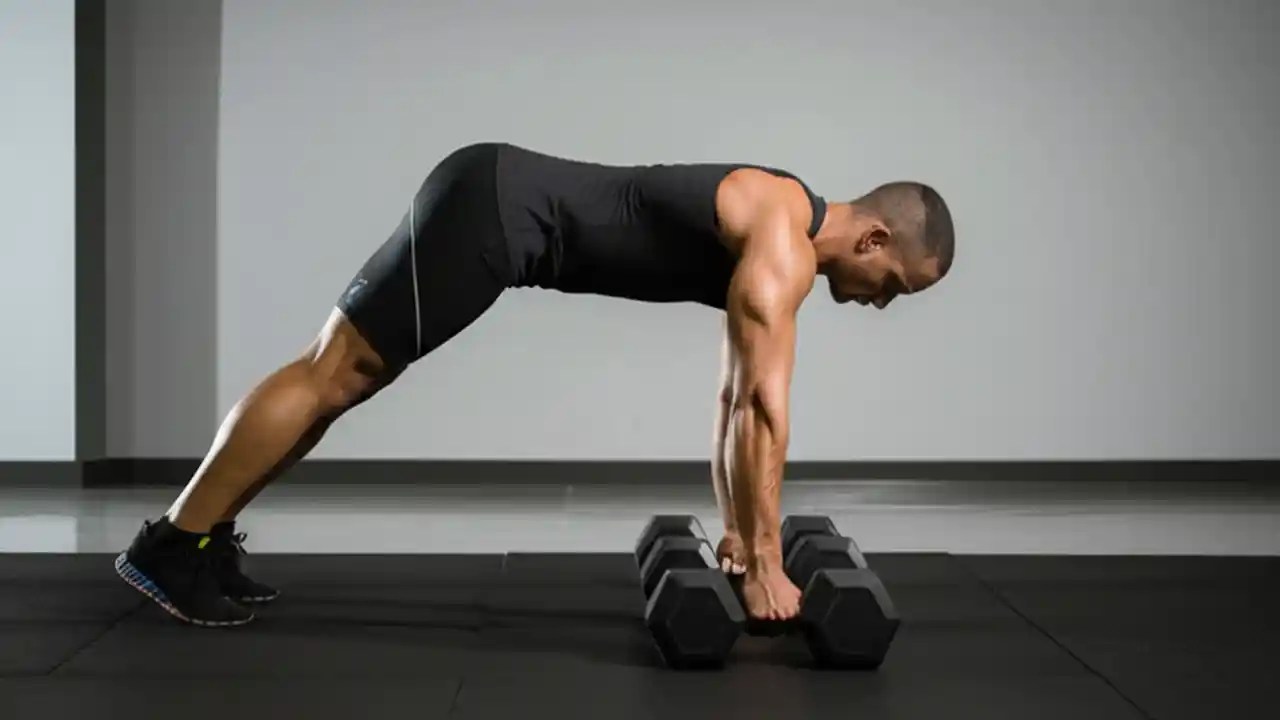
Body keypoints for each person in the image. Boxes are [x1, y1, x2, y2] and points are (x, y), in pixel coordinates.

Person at [113, 142, 955, 628]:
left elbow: (738, 395)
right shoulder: (783, 242)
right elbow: (763, 404)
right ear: (876, 238)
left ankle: (201, 540)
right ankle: (170, 543)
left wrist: (739, 529)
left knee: (339, 381)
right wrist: (765, 561)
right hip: (493, 210)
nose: (882, 304)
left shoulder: (782, 222)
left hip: (491, 197)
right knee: (333, 375)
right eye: (896, 287)